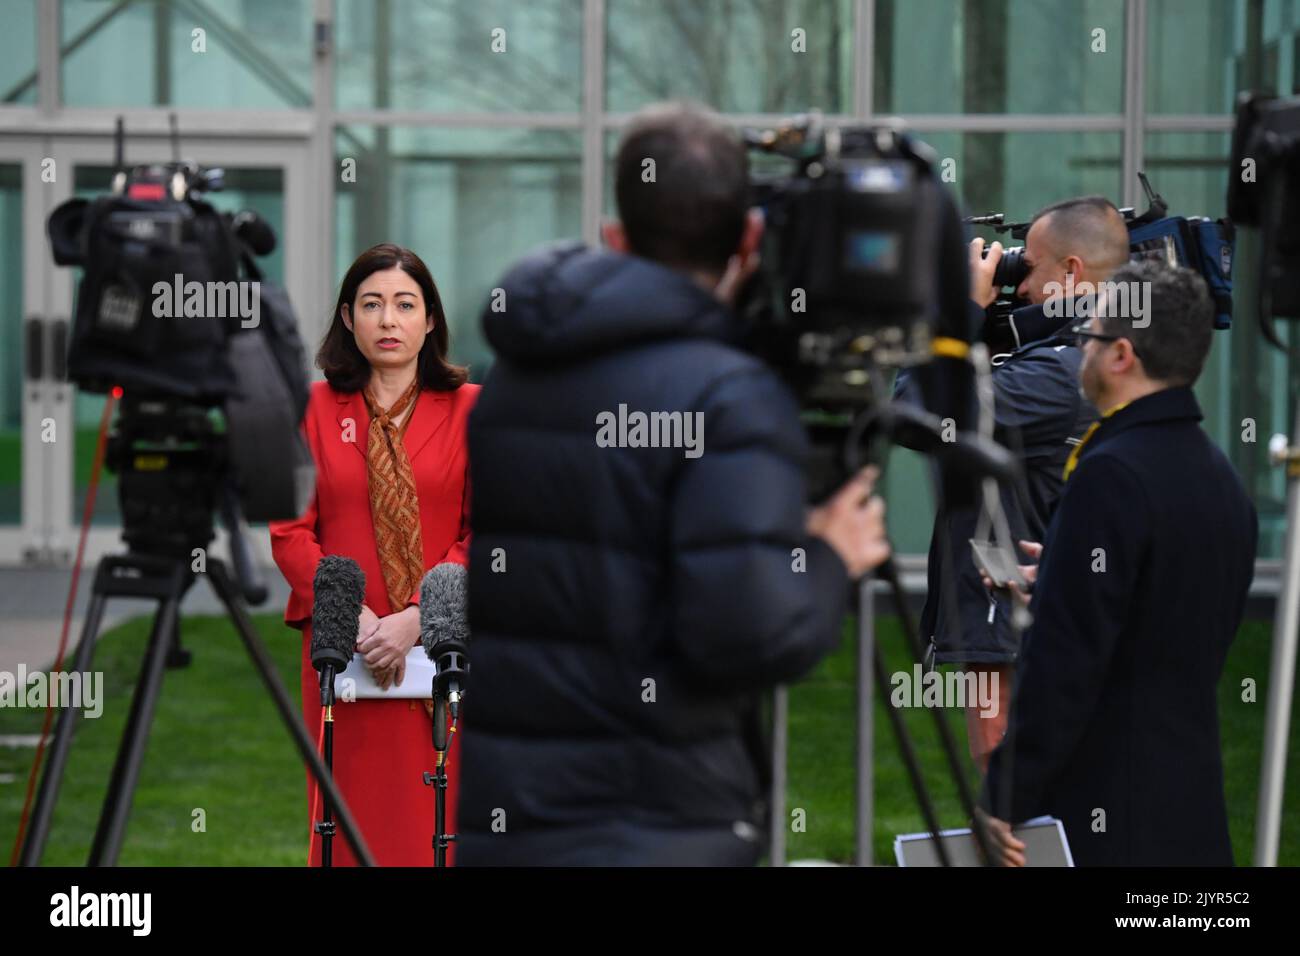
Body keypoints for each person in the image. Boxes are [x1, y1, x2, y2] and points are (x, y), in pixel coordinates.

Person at [456, 101, 892, 866]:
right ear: (749, 239)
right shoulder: (729, 397)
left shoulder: (517, 376)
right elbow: (747, 632)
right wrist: (829, 556)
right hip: (658, 826)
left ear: (616, 237)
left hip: (511, 822)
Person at [977, 262, 1257, 866]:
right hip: (1191, 811)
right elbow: (1166, 615)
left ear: (1121, 355)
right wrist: (1062, 576)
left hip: (1108, 814)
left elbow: (1066, 663)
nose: (1081, 346)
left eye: (1090, 336)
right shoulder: (1220, 478)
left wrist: (1004, 794)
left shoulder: (1111, 474)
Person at [894, 196, 1130, 771]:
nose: (1018, 288)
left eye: (1030, 267)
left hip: (1010, 600)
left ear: (1071, 273)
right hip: (1033, 595)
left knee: (1006, 778)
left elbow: (915, 409)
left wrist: (959, 315)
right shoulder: (1080, 355)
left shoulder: (1059, 371)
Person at [269, 243, 479, 866]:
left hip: (444, 647)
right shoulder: (308, 409)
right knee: (345, 817)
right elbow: (289, 532)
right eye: (372, 304)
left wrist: (415, 620)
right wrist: (357, 618)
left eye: (405, 304)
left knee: (442, 821)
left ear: (431, 319)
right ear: (347, 318)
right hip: (343, 648)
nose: (388, 320)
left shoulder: (473, 408)